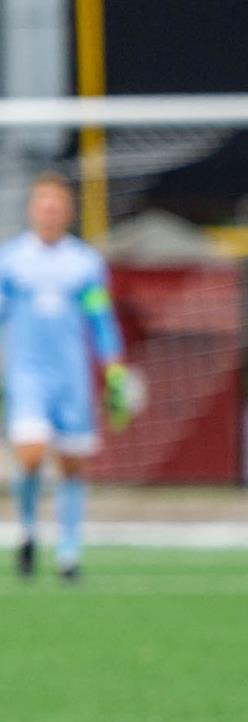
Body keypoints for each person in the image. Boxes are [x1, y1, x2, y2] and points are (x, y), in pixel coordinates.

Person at [4, 171, 131, 583]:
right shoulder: (11, 261)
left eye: (57, 204)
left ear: (68, 211)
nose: (50, 210)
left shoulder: (85, 263)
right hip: (27, 373)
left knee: (72, 465)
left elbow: (99, 317)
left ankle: (68, 552)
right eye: (44, 203)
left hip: (72, 377)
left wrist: (113, 366)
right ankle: (26, 530)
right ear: (33, 209)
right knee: (31, 454)